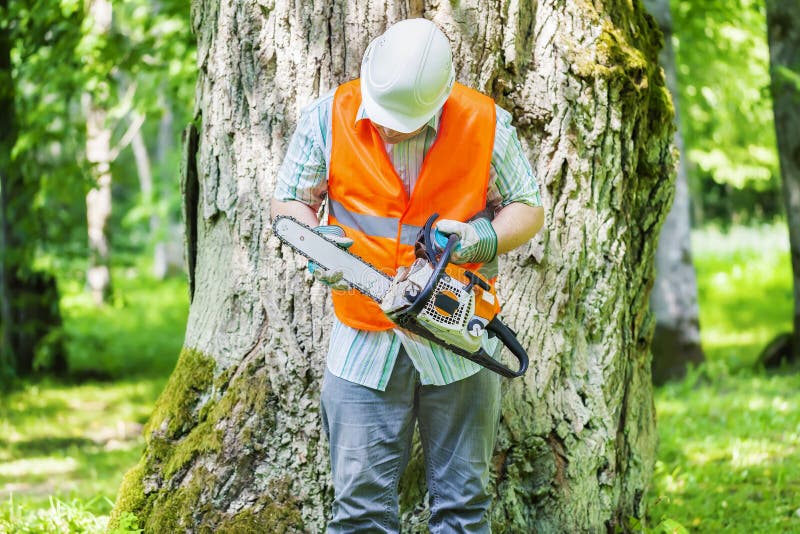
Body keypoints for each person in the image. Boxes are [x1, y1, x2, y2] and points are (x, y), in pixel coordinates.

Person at [271, 18, 544, 533]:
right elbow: (289, 201)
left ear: (440, 99)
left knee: (463, 508)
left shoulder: (484, 122)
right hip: (363, 337)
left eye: (403, 122)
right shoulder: (328, 116)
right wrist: (318, 247)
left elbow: (528, 207)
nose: (390, 129)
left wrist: (483, 238)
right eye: (384, 118)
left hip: (458, 337)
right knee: (360, 512)